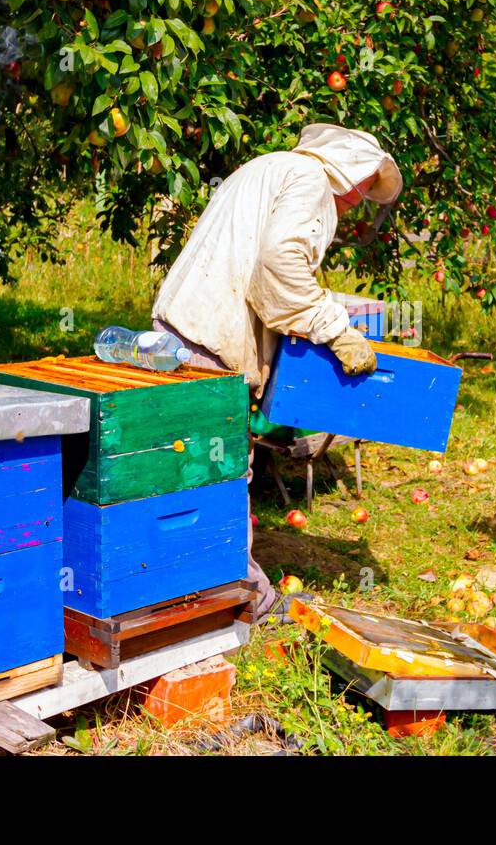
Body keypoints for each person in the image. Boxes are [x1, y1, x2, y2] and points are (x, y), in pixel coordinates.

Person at [152, 123, 403, 619]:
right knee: (216, 475)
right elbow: (279, 267)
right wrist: (333, 327)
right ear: (347, 168)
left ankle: (198, 592)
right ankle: (246, 602)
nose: (362, 198)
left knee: (183, 472)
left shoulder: (270, 167)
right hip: (209, 341)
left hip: (182, 326)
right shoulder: (310, 181)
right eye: (364, 184)